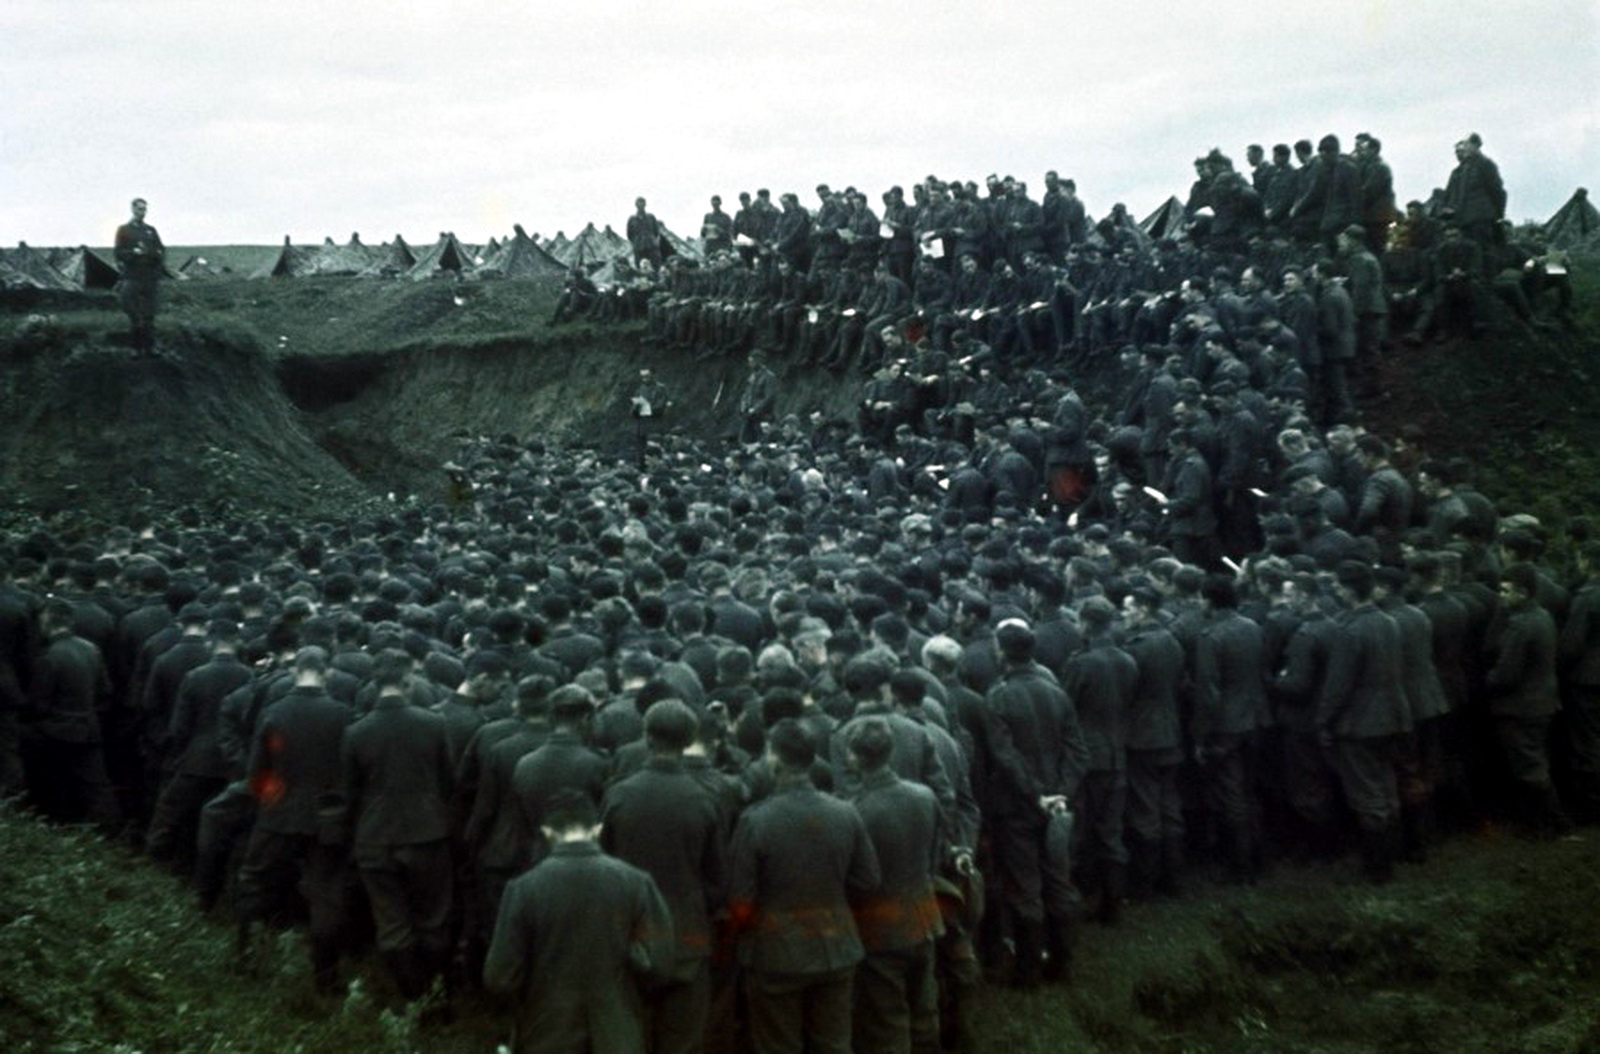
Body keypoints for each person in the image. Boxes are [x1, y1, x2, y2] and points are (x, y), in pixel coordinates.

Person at [729, 718, 881, 1054]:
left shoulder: (755, 821)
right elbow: (869, 881)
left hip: (775, 954)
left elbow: (741, 900)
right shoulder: (846, 813)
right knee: (834, 1044)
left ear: (775, 760)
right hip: (837, 946)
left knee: (778, 1046)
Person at [485, 790, 675, 1054]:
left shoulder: (522, 889)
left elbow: (499, 976)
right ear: (597, 830)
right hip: (618, 1033)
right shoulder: (636, 882)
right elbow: (661, 965)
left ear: (547, 833)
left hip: (546, 1034)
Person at [114, 197, 165, 357]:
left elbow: (161, 250)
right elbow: (118, 253)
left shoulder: (150, 230)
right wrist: (132, 253)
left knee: (149, 314)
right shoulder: (124, 230)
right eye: (139, 209)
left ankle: (150, 348)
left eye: (144, 209)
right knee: (132, 311)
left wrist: (156, 260)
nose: (142, 212)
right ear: (133, 209)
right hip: (132, 276)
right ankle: (135, 348)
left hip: (149, 277)